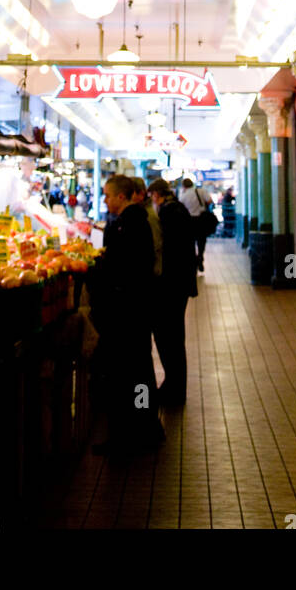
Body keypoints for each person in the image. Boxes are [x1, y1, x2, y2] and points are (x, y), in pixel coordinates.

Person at [86, 174, 162, 458]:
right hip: (136, 310)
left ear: (121, 196)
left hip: (127, 312)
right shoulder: (134, 221)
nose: (104, 200)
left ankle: (130, 432)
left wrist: (97, 271)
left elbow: (122, 268)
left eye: (107, 195)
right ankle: (146, 426)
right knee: (139, 371)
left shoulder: (128, 225)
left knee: (127, 374)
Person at [148, 178, 197, 406]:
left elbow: (168, 250)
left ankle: (174, 389)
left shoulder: (168, 213)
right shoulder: (178, 208)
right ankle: (174, 386)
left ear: (156, 195)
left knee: (170, 337)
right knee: (174, 336)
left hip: (172, 284)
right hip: (181, 282)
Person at [179, 177, 215, 272]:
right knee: (201, 241)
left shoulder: (183, 196)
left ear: (184, 186)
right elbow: (210, 201)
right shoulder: (201, 191)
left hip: (189, 221)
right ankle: (200, 257)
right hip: (201, 219)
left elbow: (180, 206)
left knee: (190, 241)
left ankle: (194, 260)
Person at [130, 176, 162, 278]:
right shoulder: (141, 212)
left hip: (149, 273)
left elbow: (156, 245)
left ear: (141, 194)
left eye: (129, 194)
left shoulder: (147, 215)